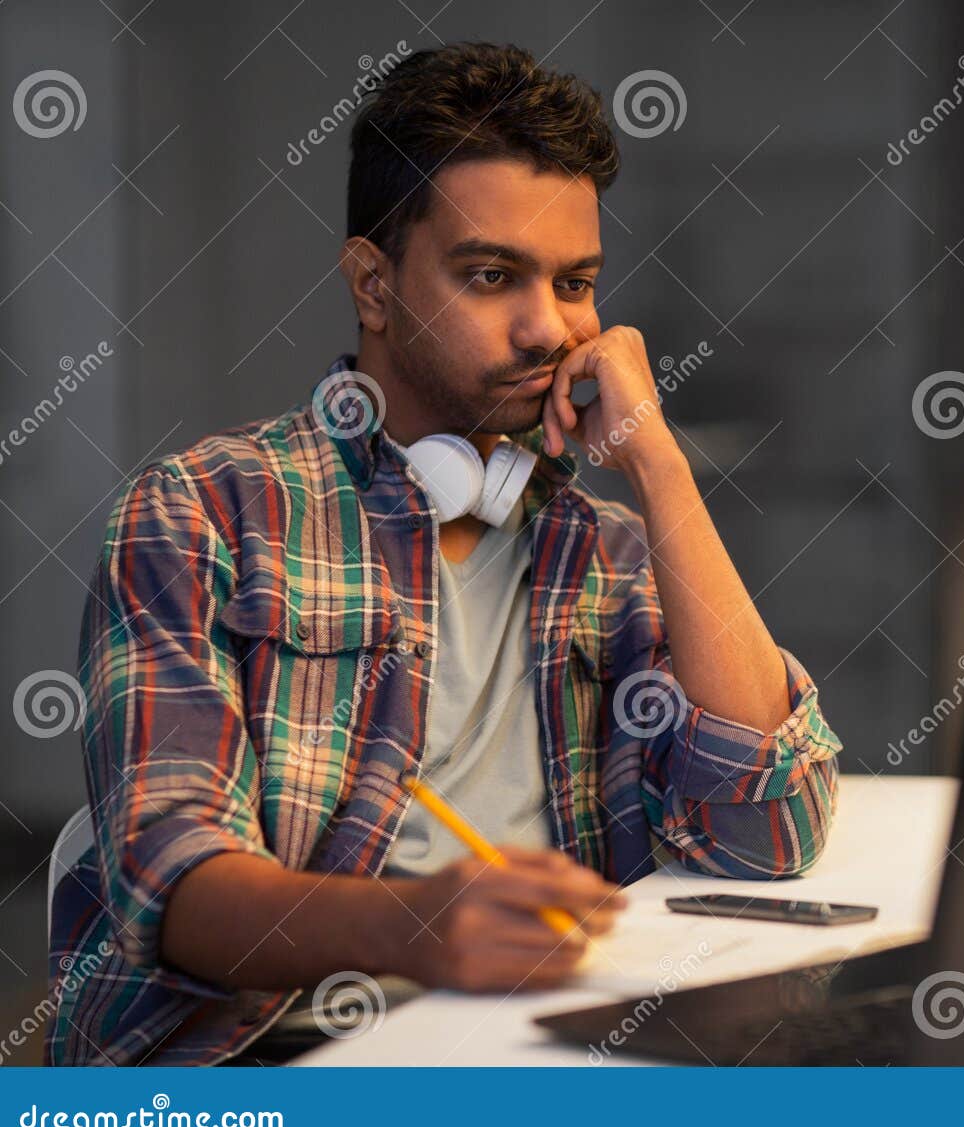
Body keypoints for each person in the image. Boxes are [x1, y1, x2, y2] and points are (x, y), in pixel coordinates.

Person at [45, 42, 842, 1066]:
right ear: (374, 285)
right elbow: (171, 882)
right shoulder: (199, 513)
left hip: (538, 1054)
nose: (545, 327)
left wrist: (659, 465)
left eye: (576, 282)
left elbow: (767, 829)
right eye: (491, 275)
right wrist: (416, 926)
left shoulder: (607, 551)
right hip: (268, 1064)